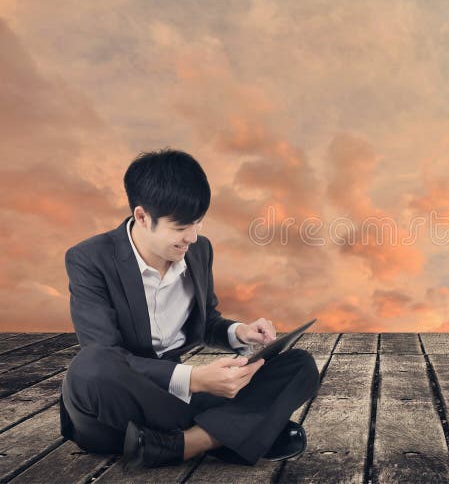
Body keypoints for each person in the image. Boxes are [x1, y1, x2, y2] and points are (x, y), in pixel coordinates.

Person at [59, 148, 320, 470]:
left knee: (300, 365)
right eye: (181, 227)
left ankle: (185, 443)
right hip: (119, 400)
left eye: (198, 223)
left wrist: (239, 332)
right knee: (88, 367)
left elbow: (205, 321)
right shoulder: (89, 259)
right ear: (142, 217)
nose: (192, 237)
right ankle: (228, 432)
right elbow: (105, 353)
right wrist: (195, 379)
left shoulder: (199, 251)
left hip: (176, 400)